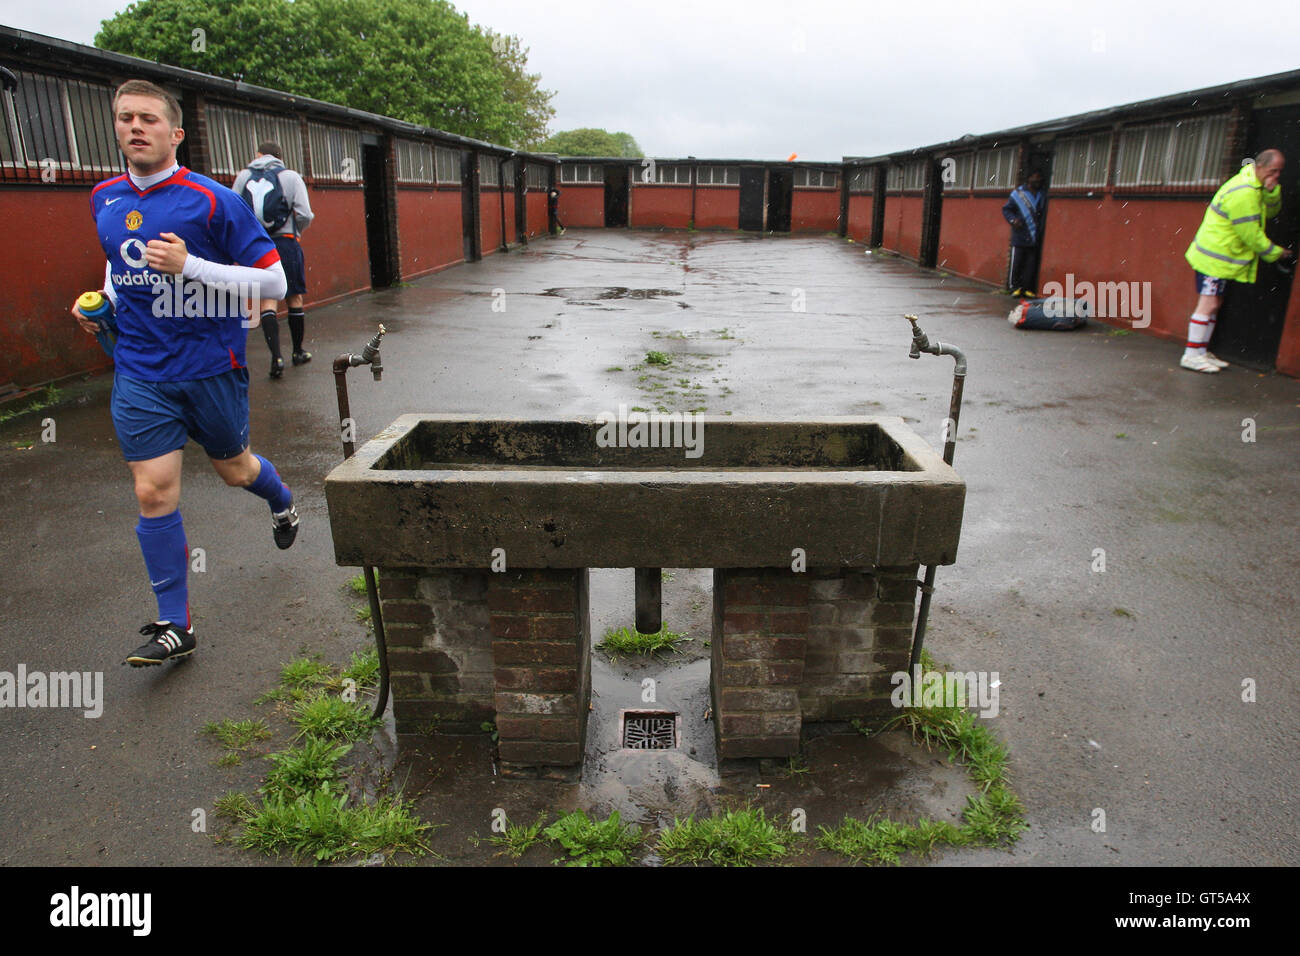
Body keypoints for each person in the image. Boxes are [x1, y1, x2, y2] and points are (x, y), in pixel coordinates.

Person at [70, 79, 297, 667]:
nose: (134, 127)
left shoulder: (214, 199)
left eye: (147, 118)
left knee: (234, 469)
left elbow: (274, 282)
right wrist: (101, 303)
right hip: (141, 369)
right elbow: (118, 270)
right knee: (152, 492)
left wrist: (191, 264)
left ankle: (281, 499)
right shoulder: (105, 198)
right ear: (117, 128)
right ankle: (176, 623)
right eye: (125, 118)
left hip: (209, 367)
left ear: (175, 134)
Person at [1181, 149, 1293, 373]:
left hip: (1221, 257)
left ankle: (1200, 351)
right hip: (1214, 258)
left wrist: (1272, 192)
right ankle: (1192, 355)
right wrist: (1275, 252)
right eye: (1273, 171)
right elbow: (1249, 233)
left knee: (1215, 303)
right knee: (1209, 304)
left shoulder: (1255, 185)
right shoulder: (1244, 192)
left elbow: (1271, 212)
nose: (1277, 176)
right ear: (1260, 166)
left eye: (1280, 172)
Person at [232, 142, 315, 377]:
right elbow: (305, 213)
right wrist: (296, 230)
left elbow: (234, 210)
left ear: (258, 155)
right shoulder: (290, 177)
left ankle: (276, 358)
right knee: (293, 297)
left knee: (267, 301)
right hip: (285, 242)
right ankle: (298, 352)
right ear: (280, 157)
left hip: (257, 245)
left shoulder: (243, 176)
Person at [1002, 170, 1047, 296]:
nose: (1038, 181)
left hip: (1034, 236)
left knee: (1030, 265)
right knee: (1017, 263)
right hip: (1020, 235)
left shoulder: (1041, 195)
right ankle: (1014, 288)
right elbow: (1006, 209)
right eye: (1036, 177)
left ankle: (1027, 288)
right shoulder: (1018, 194)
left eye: (1040, 178)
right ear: (1029, 178)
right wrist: (1013, 220)